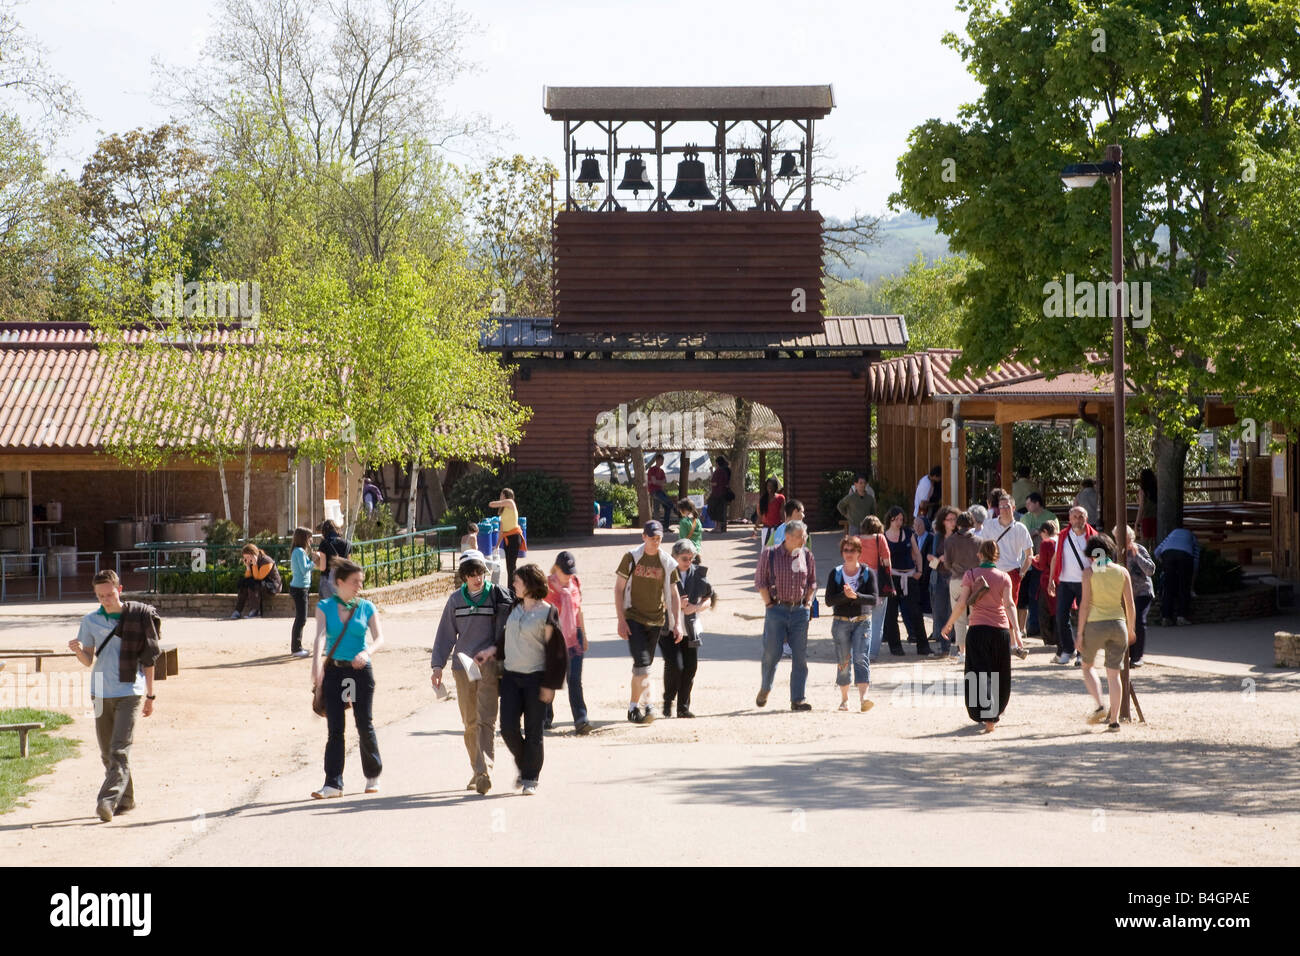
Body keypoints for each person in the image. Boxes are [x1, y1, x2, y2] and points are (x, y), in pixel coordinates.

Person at [68, 570, 160, 822]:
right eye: (100, 596)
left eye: (109, 594)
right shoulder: (90, 621)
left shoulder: (138, 617)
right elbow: (88, 660)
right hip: (99, 690)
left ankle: (107, 801)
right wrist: (78, 651)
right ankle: (126, 800)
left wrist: (150, 696)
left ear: (119, 590)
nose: (106, 600)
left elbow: (149, 659)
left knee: (119, 749)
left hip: (130, 690)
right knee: (107, 753)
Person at [432, 550, 514, 794]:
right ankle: (477, 769)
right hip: (462, 667)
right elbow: (445, 635)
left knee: (486, 719)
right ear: (464, 576)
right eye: (472, 574)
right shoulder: (455, 601)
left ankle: (483, 771)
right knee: (469, 722)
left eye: (480, 573)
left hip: (489, 666)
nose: (477, 578)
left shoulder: (496, 597)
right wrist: (437, 666)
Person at [310, 558, 384, 798]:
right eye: (354, 582)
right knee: (335, 728)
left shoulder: (367, 607)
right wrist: (316, 665)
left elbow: (380, 638)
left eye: (361, 582)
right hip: (334, 670)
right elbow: (320, 636)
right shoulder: (324, 606)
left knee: (364, 723)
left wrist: (367, 652)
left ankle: (372, 775)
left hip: (360, 670)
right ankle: (333, 783)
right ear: (339, 582)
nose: (359, 586)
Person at [497, 564, 567, 795]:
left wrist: (550, 685)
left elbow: (556, 651)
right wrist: (490, 652)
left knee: (533, 731)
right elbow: (505, 639)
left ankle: (530, 778)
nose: (513, 584)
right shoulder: (514, 607)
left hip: (536, 679)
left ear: (529, 584)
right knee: (507, 728)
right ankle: (526, 763)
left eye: (517, 581)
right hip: (511, 677)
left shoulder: (547, 612)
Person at [941, 539, 1021, 733]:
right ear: (997, 557)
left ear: (980, 555)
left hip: (978, 630)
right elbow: (1009, 604)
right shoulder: (1004, 577)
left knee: (979, 673)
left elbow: (962, 603)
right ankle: (993, 714)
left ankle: (987, 715)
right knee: (999, 673)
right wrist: (1017, 632)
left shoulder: (970, 575)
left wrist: (949, 624)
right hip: (1000, 631)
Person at [615, 521, 683, 723]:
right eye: (652, 537)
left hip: (656, 620)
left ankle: (633, 708)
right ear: (643, 536)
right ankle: (650, 705)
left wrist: (677, 623)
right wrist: (621, 619)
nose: (655, 541)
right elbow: (619, 589)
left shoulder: (667, 562)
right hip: (633, 617)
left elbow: (674, 594)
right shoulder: (631, 558)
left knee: (641, 667)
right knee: (644, 665)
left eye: (659, 538)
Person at [1076, 534, 1137, 732]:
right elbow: (1130, 604)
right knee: (1114, 674)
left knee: (1087, 666)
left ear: (1092, 554)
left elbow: (1084, 605)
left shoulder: (1089, 573)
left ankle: (1100, 705)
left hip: (1095, 624)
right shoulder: (1122, 571)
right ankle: (1114, 720)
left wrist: (1079, 633)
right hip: (1118, 624)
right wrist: (1131, 628)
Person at [754, 519, 817, 710]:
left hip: (799, 611)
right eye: (800, 537)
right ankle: (765, 687)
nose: (803, 540)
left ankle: (798, 699)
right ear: (788, 537)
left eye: (804, 537)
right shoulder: (770, 554)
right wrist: (769, 604)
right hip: (777, 610)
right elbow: (760, 581)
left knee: (800, 657)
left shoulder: (807, 555)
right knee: (772, 654)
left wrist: (807, 603)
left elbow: (812, 582)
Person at [825, 534, 878, 713]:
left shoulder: (867, 573)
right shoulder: (835, 573)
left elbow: (874, 599)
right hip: (841, 622)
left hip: (862, 621)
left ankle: (864, 699)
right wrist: (844, 596)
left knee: (861, 658)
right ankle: (844, 699)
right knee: (843, 660)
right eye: (846, 550)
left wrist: (856, 596)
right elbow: (829, 600)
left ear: (859, 552)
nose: (849, 553)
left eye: (852, 550)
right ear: (842, 552)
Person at [663, 539, 714, 718]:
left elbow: (709, 598)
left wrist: (695, 607)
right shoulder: (665, 573)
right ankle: (668, 700)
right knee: (675, 666)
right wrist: (675, 604)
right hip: (669, 627)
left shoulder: (698, 574)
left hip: (691, 629)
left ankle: (683, 707)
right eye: (684, 558)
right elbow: (656, 600)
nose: (688, 562)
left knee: (690, 668)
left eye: (691, 558)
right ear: (674, 557)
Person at [545, 551, 590, 734]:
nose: (569, 576)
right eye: (565, 572)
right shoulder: (545, 586)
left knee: (574, 679)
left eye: (571, 572)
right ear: (556, 568)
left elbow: (579, 610)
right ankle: (545, 717)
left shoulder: (575, 583)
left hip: (574, 636)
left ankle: (581, 719)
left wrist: (584, 635)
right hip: (553, 635)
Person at [1047, 506, 1096, 665]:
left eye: (1081, 516)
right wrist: (1051, 579)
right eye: (1074, 516)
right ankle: (1068, 649)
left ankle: (1083, 652)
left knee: (1085, 618)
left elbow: (1102, 562)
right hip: (1065, 582)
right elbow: (1055, 558)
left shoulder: (1094, 537)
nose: (1077, 520)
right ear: (1069, 519)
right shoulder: (1062, 536)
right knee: (1061, 617)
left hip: (1086, 583)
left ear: (1086, 518)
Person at [882, 506, 931, 656]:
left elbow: (917, 553)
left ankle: (923, 646)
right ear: (890, 519)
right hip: (892, 577)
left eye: (901, 519)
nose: (899, 522)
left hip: (909, 576)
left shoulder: (908, 533)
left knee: (915, 611)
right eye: (896, 519)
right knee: (891, 613)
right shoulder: (883, 536)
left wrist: (919, 571)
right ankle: (895, 646)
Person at [978, 493, 1034, 623]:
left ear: (1013, 508)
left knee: (1010, 608)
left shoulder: (1020, 528)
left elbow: (1029, 554)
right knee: (992, 608)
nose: (1004, 509)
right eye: (1001, 507)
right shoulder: (989, 525)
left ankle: (1011, 634)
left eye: (1007, 506)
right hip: (992, 571)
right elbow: (982, 550)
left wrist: (1022, 573)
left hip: (1012, 572)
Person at [940, 511, 981, 663]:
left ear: (958, 524)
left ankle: (962, 652)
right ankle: (975, 650)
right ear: (972, 524)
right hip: (975, 580)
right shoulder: (979, 541)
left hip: (957, 580)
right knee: (976, 616)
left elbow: (947, 564)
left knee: (959, 617)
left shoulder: (950, 541)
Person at [1115, 524, 1155, 666]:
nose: (1119, 539)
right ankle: (1128, 655)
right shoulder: (1116, 552)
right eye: (1117, 537)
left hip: (1142, 592)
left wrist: (1136, 555)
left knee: (1138, 620)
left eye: (1123, 536)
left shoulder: (1139, 549)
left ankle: (1137, 657)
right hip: (1125, 594)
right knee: (1124, 622)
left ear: (1130, 537)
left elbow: (1150, 570)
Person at [857, 515, 893, 662]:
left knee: (860, 620)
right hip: (878, 582)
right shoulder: (880, 539)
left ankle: (860, 650)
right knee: (878, 621)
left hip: (860, 582)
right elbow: (887, 562)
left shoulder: (856, 539)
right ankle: (872, 653)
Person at [1017, 493, 1052, 636]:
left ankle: (1040, 626)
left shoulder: (1050, 516)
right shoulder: (1025, 518)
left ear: (1037, 503)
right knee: (1027, 595)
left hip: (1045, 562)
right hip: (1028, 561)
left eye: (1029, 503)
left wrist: (1036, 532)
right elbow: (1022, 538)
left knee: (1039, 595)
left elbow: (1053, 535)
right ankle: (1029, 626)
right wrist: (1036, 531)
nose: (1026, 506)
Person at [1154, 525, 1200, 626]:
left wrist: (1164, 563)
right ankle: (1181, 617)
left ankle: (1166, 618)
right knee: (1184, 586)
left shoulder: (1171, 534)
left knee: (1168, 587)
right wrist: (1193, 574)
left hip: (1167, 554)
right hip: (1185, 556)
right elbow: (1196, 559)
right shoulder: (1192, 537)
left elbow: (1157, 552)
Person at [928, 507, 958, 656]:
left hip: (955, 576)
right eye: (949, 520)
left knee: (955, 612)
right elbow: (934, 556)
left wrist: (948, 558)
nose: (952, 522)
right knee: (940, 611)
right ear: (943, 522)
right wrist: (934, 558)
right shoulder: (938, 536)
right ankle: (944, 647)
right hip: (940, 576)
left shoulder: (959, 536)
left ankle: (958, 645)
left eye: (954, 519)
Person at [231, 543, 281, 619]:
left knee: (253, 584)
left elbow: (258, 577)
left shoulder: (267, 561)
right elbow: (248, 577)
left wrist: (254, 564)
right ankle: (237, 611)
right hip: (260, 583)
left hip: (272, 586)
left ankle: (255, 611)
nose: (247, 560)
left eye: (248, 557)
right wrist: (248, 567)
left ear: (253, 554)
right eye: (245, 558)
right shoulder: (251, 562)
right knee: (244, 584)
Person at [289, 527, 315, 657]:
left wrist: (311, 559)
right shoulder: (299, 552)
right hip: (299, 588)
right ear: (304, 538)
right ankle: (296, 648)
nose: (311, 540)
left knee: (301, 618)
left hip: (301, 587)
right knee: (301, 618)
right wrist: (314, 561)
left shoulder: (299, 551)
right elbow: (304, 569)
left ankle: (297, 647)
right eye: (309, 537)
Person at [488, 488, 524, 585]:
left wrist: (498, 503)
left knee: (511, 565)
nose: (500, 496)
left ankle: (514, 588)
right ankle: (511, 588)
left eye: (501, 495)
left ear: (505, 495)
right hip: (507, 538)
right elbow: (501, 531)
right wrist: (497, 545)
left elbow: (491, 504)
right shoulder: (503, 511)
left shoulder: (510, 502)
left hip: (515, 536)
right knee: (509, 566)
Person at [1033, 521, 1059, 646]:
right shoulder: (1061, 541)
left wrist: (1032, 560)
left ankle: (1049, 640)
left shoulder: (1046, 543)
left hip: (1047, 580)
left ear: (1045, 532)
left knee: (1045, 612)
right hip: (1062, 580)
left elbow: (1042, 565)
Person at [316, 520, 351, 599]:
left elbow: (323, 567)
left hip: (327, 580)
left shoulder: (324, 543)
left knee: (328, 604)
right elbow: (349, 565)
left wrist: (316, 562)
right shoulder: (347, 543)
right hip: (342, 579)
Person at [647, 453, 677, 525]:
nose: (662, 462)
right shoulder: (652, 469)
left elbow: (664, 482)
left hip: (660, 491)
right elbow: (654, 482)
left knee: (663, 508)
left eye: (663, 461)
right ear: (657, 460)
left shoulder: (662, 471)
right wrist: (660, 482)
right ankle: (675, 509)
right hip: (654, 491)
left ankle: (665, 526)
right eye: (661, 460)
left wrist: (657, 482)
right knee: (668, 504)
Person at [914, 515, 934, 616]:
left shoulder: (931, 538)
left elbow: (930, 559)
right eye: (915, 525)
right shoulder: (914, 537)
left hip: (927, 573)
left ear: (925, 525)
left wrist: (923, 573)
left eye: (919, 525)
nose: (917, 527)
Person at [707, 456, 733, 532]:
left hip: (717, 493)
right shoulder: (727, 470)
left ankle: (717, 527)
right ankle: (721, 528)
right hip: (724, 493)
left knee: (714, 510)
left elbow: (714, 482)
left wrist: (712, 472)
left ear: (718, 463)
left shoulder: (719, 471)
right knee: (722, 511)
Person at [757, 478, 786, 546]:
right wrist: (756, 525)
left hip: (777, 528)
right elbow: (760, 513)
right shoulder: (763, 499)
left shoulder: (781, 498)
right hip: (766, 529)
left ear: (775, 487)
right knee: (765, 549)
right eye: (768, 485)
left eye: (772, 486)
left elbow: (782, 512)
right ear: (766, 487)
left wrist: (785, 526)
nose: (770, 487)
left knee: (777, 549)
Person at [913, 464, 942, 529]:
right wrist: (936, 504)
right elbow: (922, 505)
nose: (940, 479)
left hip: (919, 513)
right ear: (935, 476)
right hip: (921, 515)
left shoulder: (926, 478)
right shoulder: (926, 485)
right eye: (940, 477)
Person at [1137, 468, 1158, 549]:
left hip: (1146, 518)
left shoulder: (1143, 491)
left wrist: (1137, 521)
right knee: (1155, 543)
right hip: (1156, 518)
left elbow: (1141, 506)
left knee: (1144, 544)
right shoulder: (1156, 490)